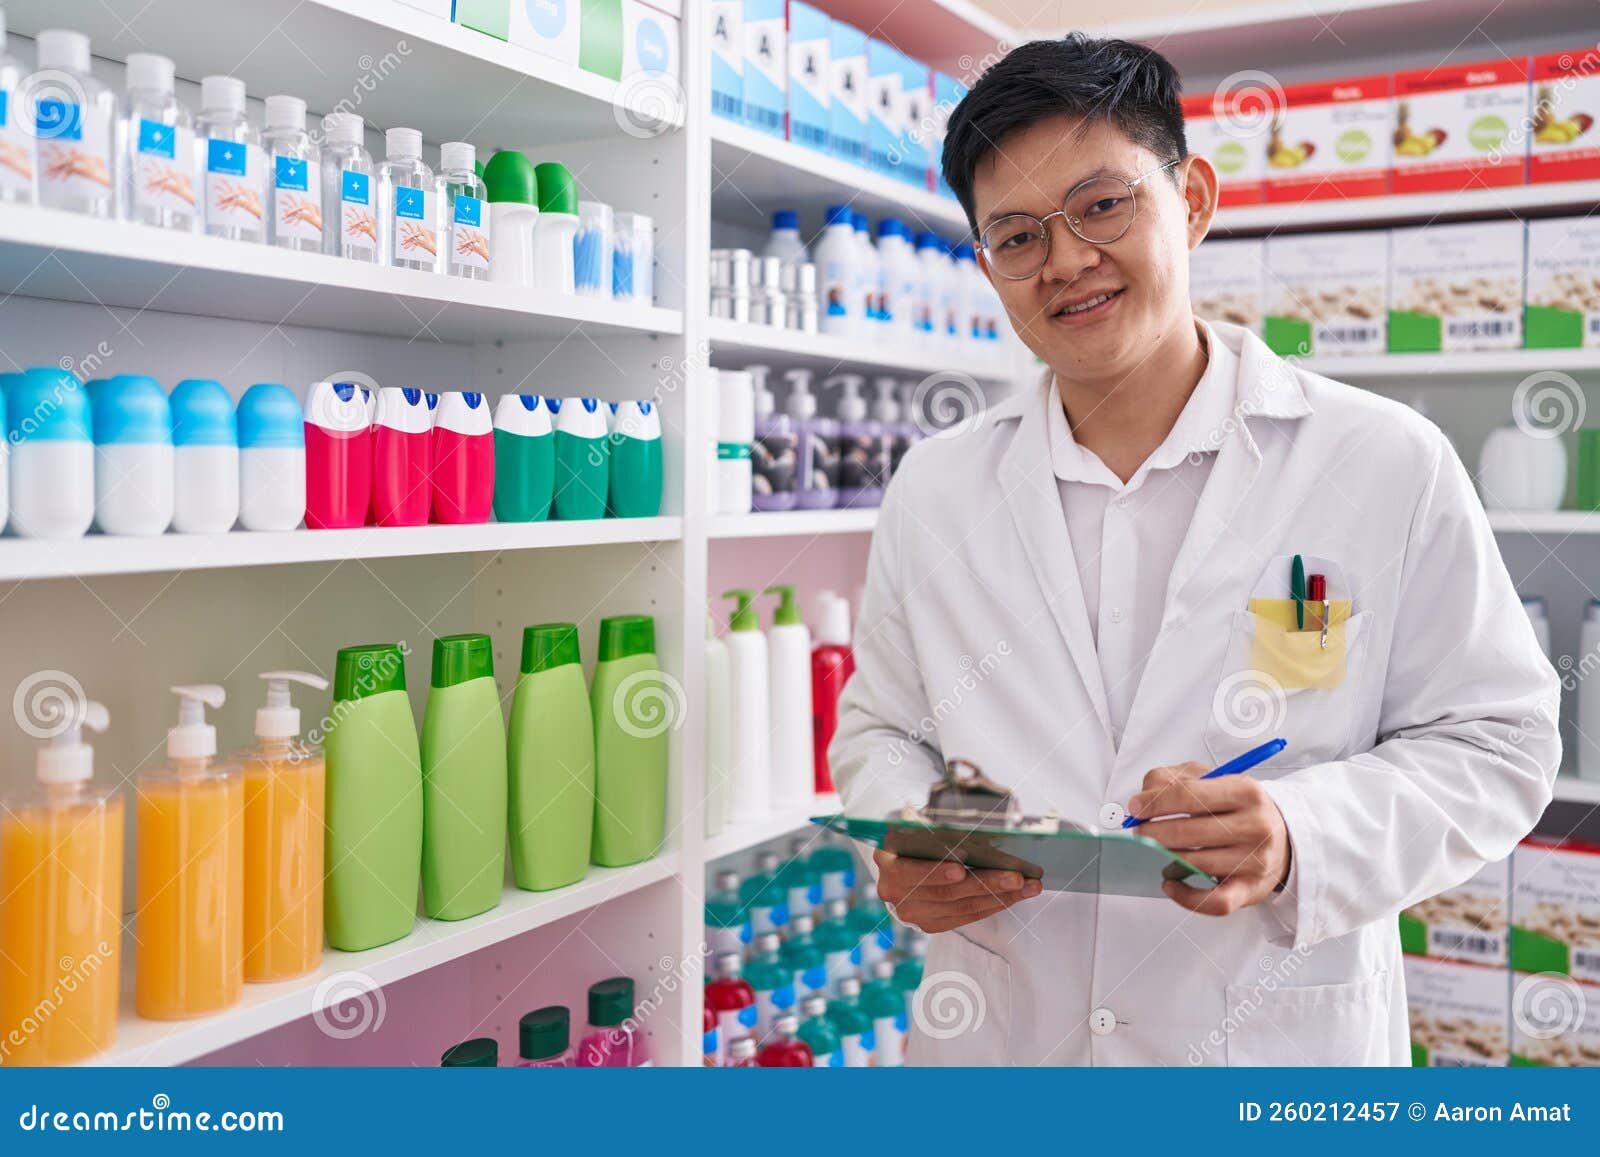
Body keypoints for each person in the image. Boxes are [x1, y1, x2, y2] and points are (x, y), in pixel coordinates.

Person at [828, 35, 1559, 1066]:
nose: (1068, 260)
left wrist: (1301, 831)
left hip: (1269, 1049)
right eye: (1016, 236)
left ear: (1193, 198)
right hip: (1002, 1042)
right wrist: (905, 830)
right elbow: (881, 725)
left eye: (1102, 204)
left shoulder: (1382, 459)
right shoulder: (937, 485)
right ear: (987, 266)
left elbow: (1499, 740)